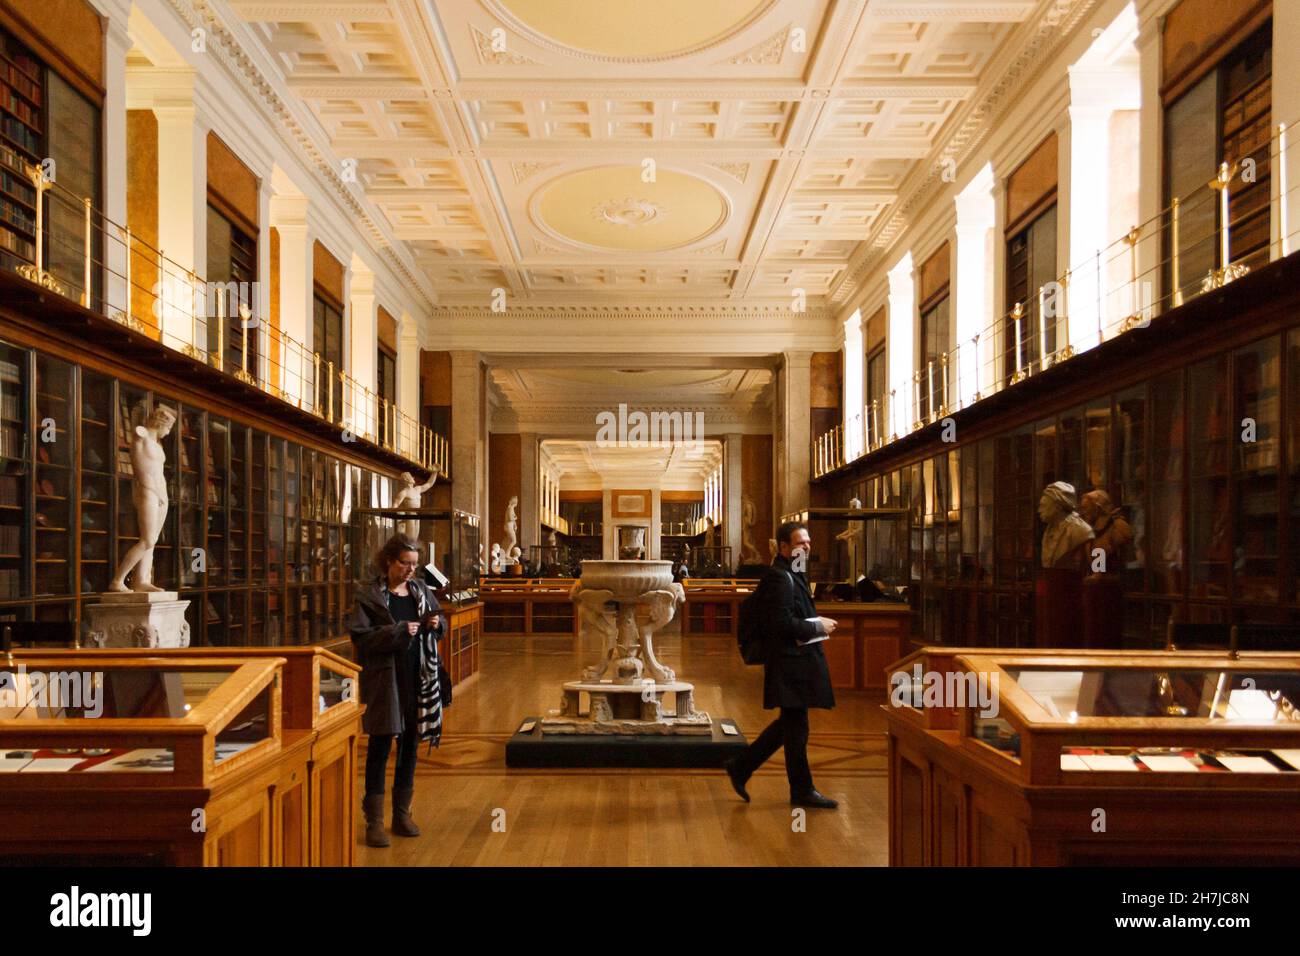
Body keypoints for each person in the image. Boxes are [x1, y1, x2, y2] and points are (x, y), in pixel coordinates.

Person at [724, 521, 840, 809]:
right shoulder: (780, 577)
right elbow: (781, 624)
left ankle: (742, 767)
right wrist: (818, 626)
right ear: (784, 547)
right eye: (801, 543)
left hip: (797, 662)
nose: (807, 547)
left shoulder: (794, 573)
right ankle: (800, 790)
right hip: (790, 665)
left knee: (790, 726)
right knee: (795, 727)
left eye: (809, 543)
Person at [350, 534, 445, 848]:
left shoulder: (420, 591)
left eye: (414, 564)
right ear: (388, 561)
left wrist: (436, 625)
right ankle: (374, 821)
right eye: (404, 563)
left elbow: (439, 618)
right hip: (385, 680)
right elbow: (361, 638)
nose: (410, 570)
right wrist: (398, 631)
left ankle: (401, 814)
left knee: (410, 747)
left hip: (419, 678)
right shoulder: (370, 595)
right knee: (379, 747)